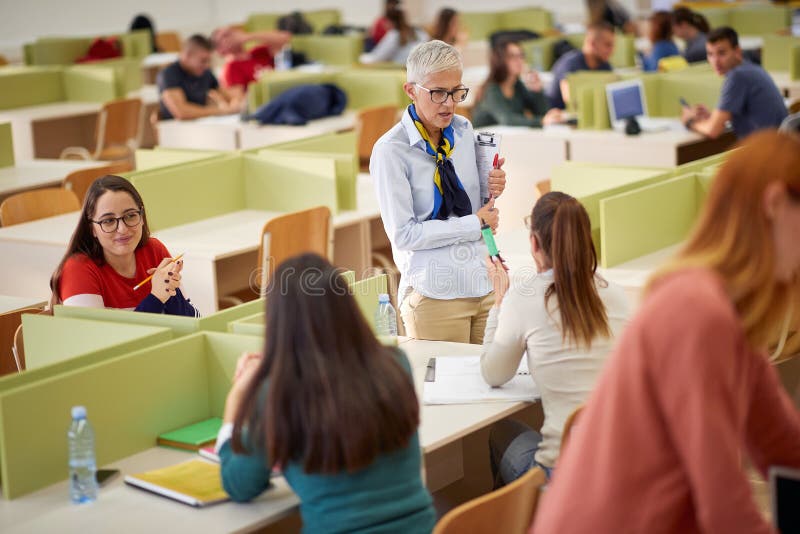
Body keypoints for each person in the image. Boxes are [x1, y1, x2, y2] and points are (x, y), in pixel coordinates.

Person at [532, 130, 800, 534]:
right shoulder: (695, 311)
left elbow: (783, 447)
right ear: (776, 204)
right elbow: (727, 513)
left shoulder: (733, 317)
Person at [217, 254, 436, 533]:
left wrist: (235, 403)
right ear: (345, 305)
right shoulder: (395, 363)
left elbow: (240, 484)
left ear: (278, 324)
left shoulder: (276, 392)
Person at [483, 192, 629, 486]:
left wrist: (499, 302)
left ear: (534, 243)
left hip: (564, 475)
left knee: (502, 433)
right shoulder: (616, 294)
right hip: (620, 464)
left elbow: (493, 374)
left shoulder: (522, 299)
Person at [370, 40, 507, 344]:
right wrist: (475, 224)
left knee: (490, 384)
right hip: (435, 293)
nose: (449, 103)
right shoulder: (391, 151)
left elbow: (476, 204)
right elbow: (404, 235)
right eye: (438, 93)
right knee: (443, 388)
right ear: (411, 90)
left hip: (481, 282)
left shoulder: (462, 130)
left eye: (457, 91)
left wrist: (493, 185)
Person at [51, 175, 199, 317]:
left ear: (141, 217)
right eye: (108, 221)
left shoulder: (154, 250)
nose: (122, 229)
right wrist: (156, 298)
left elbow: (194, 322)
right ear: (92, 229)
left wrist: (171, 293)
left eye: (130, 215)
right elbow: (99, 339)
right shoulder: (78, 269)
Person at [681, 27, 787, 139]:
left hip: (765, 150)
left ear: (737, 51)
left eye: (721, 53)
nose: (715, 61)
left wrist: (689, 122)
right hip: (777, 145)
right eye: (710, 54)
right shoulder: (752, 68)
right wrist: (714, 116)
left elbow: (713, 130)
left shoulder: (737, 76)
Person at [473, 40, 564, 128]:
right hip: (484, 140)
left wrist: (537, 91)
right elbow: (507, 119)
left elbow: (540, 113)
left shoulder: (517, 85)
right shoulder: (491, 90)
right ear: (500, 60)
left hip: (505, 137)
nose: (519, 60)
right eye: (512, 56)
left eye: (521, 55)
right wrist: (541, 121)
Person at [157, 34, 242, 120]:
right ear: (187, 55)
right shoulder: (168, 75)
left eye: (208, 61)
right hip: (174, 128)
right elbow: (181, 112)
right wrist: (220, 111)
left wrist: (235, 102)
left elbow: (226, 95)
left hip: (200, 124)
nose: (207, 65)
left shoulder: (205, 73)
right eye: (203, 61)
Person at [547, 22, 615, 110]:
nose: (612, 50)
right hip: (561, 115)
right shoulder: (570, 64)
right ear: (592, 44)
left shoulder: (605, 66)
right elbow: (571, 101)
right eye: (607, 45)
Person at [212, 26, 291, 96]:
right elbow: (240, 99)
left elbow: (285, 39)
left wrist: (248, 37)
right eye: (225, 36)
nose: (232, 36)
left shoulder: (258, 52)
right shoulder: (231, 68)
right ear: (220, 50)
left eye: (231, 32)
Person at [360, 7, 428, 65]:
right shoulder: (420, 32)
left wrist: (361, 58)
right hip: (417, 68)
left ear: (389, 21)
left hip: (397, 68)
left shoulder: (394, 34)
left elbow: (379, 57)